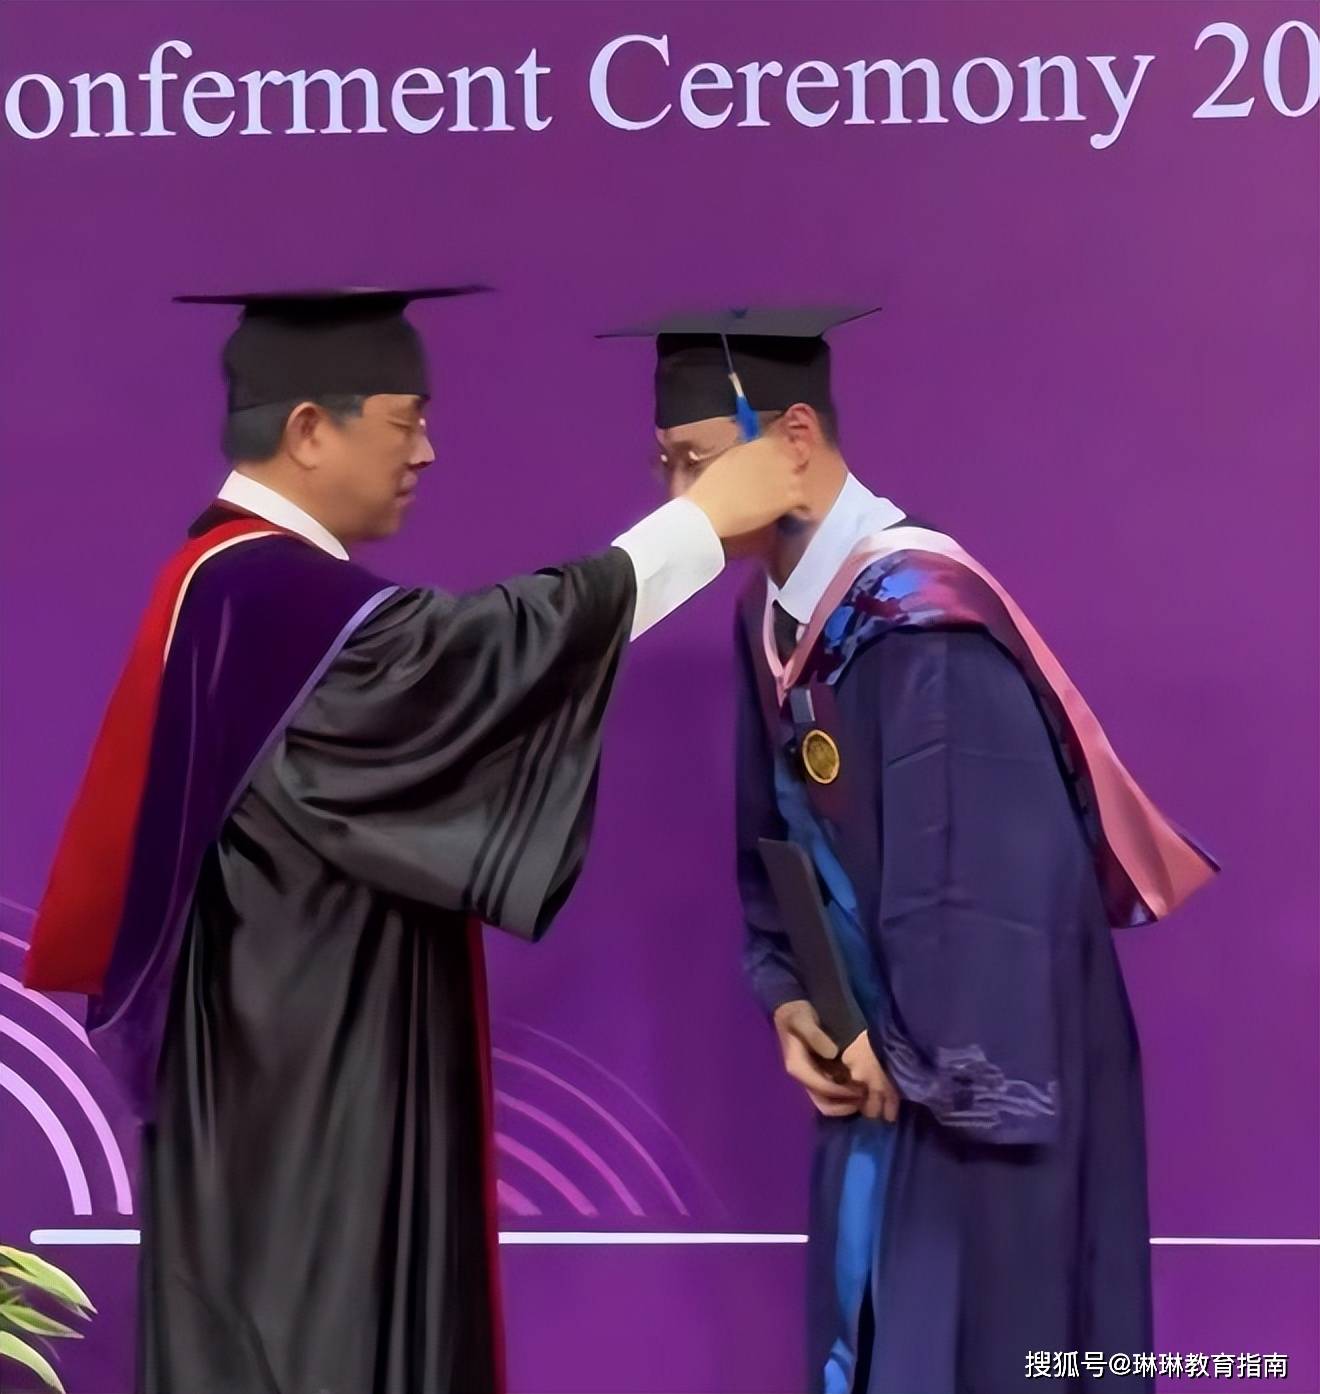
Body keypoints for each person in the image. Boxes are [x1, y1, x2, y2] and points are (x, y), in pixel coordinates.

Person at [23, 286, 806, 1394]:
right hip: (310, 1129)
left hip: (280, 1096)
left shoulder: (224, 587)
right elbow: (475, 657)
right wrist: (696, 526)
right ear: (310, 430)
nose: (428, 451)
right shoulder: (263, 598)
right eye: (407, 419)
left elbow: (450, 667)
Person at [611, 306, 1217, 1394]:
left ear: (795, 438)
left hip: (980, 1083)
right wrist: (794, 998)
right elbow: (774, 841)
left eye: (698, 463)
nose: (678, 500)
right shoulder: (773, 618)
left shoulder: (921, 618)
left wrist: (904, 1046)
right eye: (667, 465)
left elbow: (983, 899)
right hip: (880, 1071)